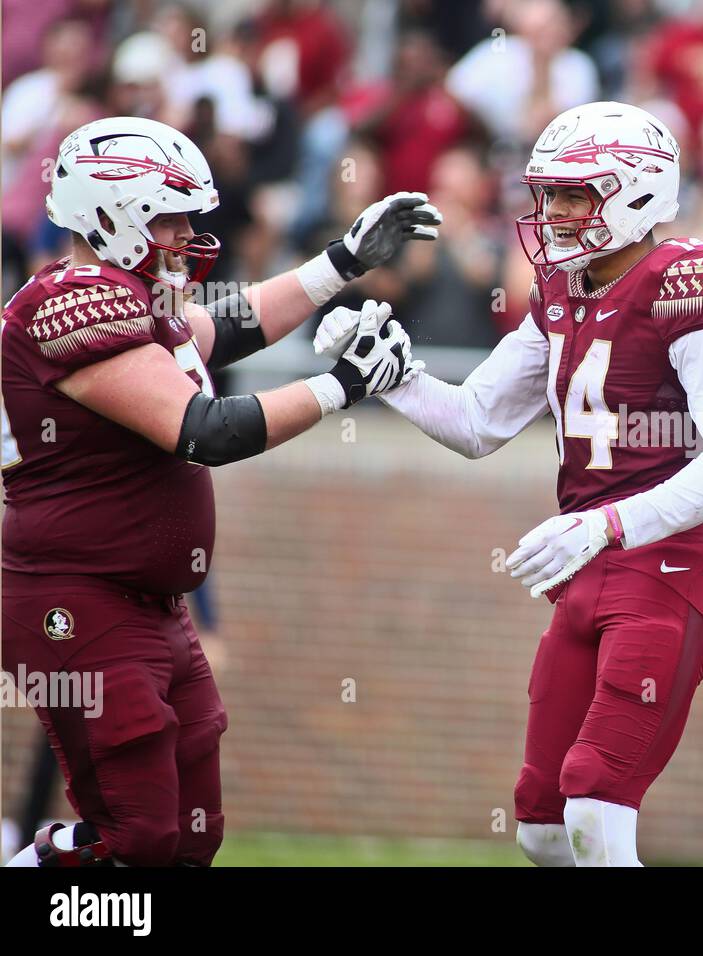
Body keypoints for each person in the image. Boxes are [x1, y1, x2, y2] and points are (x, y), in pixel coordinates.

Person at [316, 101, 703, 866]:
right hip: (585, 573)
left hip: (667, 576)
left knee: (593, 799)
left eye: (575, 194)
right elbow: (477, 422)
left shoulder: (686, 279)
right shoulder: (561, 291)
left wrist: (607, 524)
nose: (553, 212)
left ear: (639, 192)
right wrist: (385, 374)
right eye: (548, 193)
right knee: (542, 827)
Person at [2, 116, 432, 867]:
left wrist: (342, 261)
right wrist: (344, 385)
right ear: (111, 214)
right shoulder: (71, 301)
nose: (186, 235)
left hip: (151, 605)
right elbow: (208, 428)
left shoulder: (131, 295)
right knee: (138, 838)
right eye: (169, 218)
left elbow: (225, 329)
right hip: (81, 598)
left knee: (194, 839)